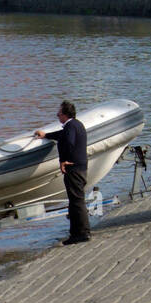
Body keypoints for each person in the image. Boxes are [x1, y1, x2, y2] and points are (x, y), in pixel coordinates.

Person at [35, 100, 90, 244]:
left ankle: (82, 234)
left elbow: (69, 142)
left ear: (65, 115)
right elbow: (62, 135)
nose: (57, 116)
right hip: (81, 167)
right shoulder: (76, 124)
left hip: (74, 168)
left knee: (76, 201)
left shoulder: (70, 126)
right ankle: (78, 233)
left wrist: (63, 160)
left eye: (58, 113)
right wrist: (46, 135)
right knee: (76, 201)